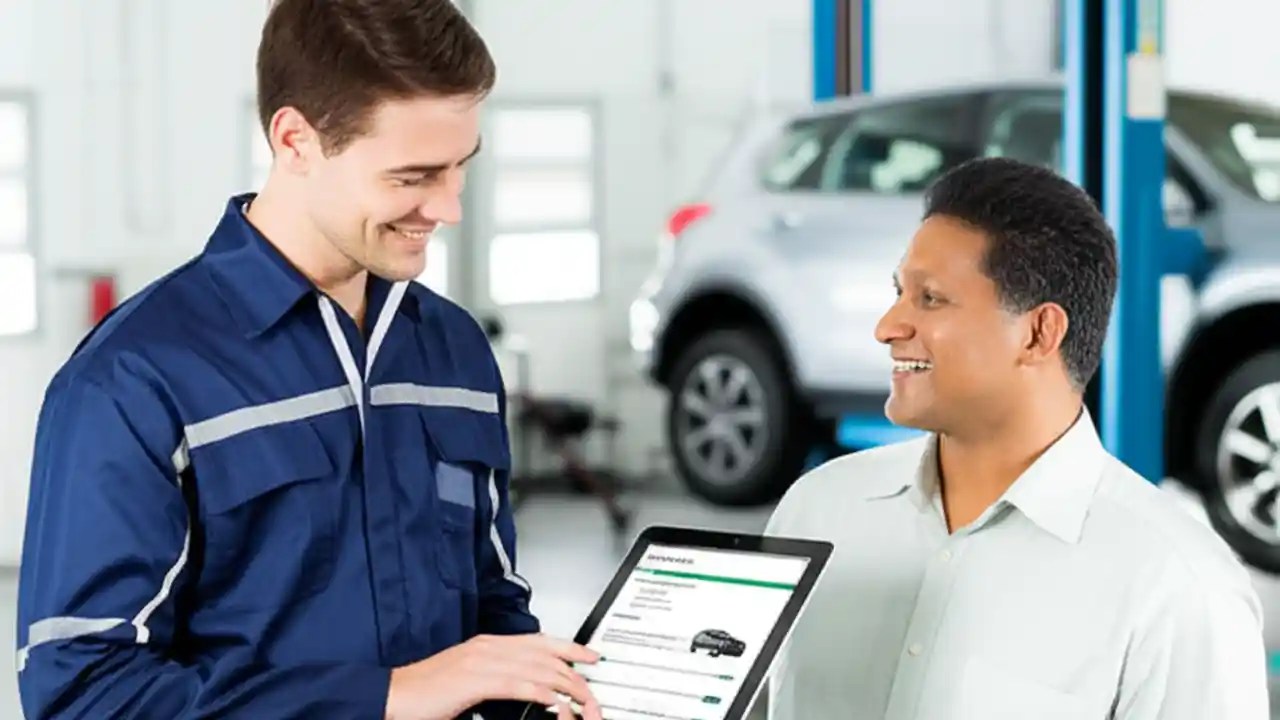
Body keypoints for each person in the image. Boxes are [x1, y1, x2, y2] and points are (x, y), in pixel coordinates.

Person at [16, 1, 601, 718]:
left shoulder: (454, 352)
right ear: (295, 140)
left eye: (460, 168)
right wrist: (386, 698)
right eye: (413, 177)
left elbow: (492, 609)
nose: (448, 209)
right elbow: (82, 693)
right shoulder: (134, 381)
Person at [765, 157, 1268, 719]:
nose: (888, 326)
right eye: (898, 292)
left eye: (930, 299)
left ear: (1037, 333)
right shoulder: (818, 511)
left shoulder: (1178, 586)